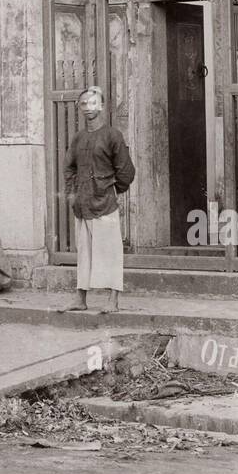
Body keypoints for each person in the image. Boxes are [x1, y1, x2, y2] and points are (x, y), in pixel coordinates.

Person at [61, 86, 135, 314]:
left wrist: (110, 189)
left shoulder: (113, 135)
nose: (88, 108)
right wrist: (73, 193)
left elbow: (126, 171)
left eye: (93, 103)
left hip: (105, 203)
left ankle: (113, 301)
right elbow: (69, 167)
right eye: (83, 104)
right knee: (84, 251)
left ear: (101, 106)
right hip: (82, 205)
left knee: (111, 251)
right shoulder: (78, 138)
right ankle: (80, 298)